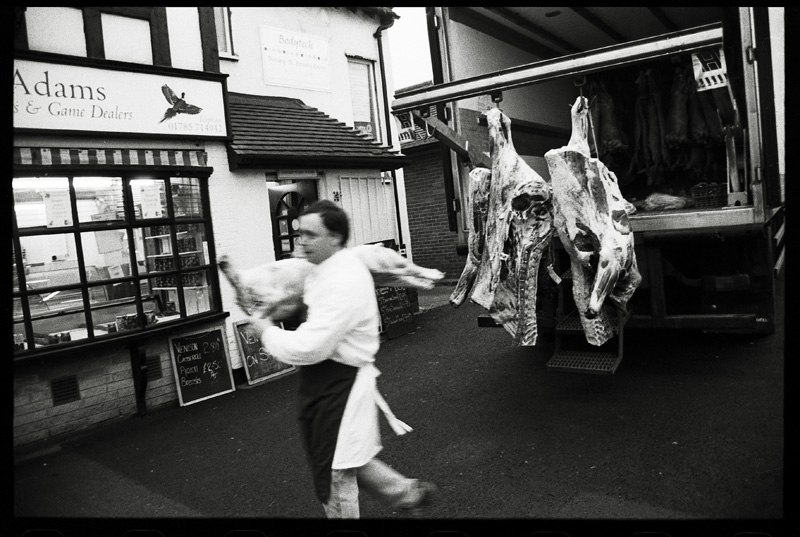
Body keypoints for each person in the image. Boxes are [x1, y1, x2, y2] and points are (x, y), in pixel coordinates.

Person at [243, 200, 436, 518]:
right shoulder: (325, 270)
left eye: (310, 234)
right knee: (347, 458)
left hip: (340, 386)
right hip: (326, 383)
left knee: (335, 471)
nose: (300, 241)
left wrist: (266, 331)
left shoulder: (343, 280)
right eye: (298, 233)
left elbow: (311, 347)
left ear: (335, 237)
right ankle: (406, 494)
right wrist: (283, 308)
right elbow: (314, 313)